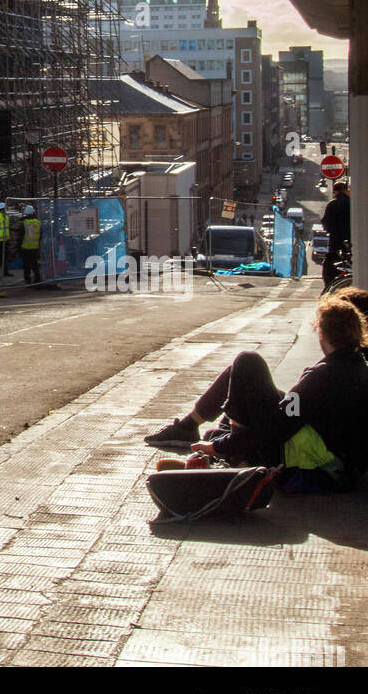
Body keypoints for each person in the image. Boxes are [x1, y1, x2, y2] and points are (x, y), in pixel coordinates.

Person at [144, 294, 368, 486]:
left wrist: (218, 447)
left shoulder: (322, 377)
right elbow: (296, 408)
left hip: (315, 467)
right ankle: (200, 432)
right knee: (239, 375)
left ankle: (237, 458)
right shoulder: (356, 367)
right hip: (334, 460)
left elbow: (278, 426)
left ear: (321, 333)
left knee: (247, 362)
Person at [321, 179, 350, 287]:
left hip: (336, 241)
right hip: (351, 240)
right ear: (346, 190)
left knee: (330, 267)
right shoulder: (352, 204)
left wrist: (331, 230)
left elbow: (326, 223)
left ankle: (330, 288)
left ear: (335, 192)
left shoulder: (332, 204)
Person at [19, 204, 42, 284]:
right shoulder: (38, 223)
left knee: (26, 265)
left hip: (25, 247)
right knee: (35, 264)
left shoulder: (24, 223)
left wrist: (18, 247)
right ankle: (37, 279)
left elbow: (20, 237)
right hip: (35, 247)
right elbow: (40, 236)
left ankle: (28, 280)